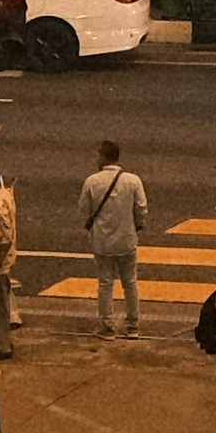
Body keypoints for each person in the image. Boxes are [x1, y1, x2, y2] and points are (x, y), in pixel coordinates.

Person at [74, 141, 150, 338]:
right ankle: (133, 325)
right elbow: (141, 208)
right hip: (127, 239)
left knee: (105, 284)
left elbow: (84, 210)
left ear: (103, 156)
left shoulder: (92, 181)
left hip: (102, 241)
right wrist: (137, 225)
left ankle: (107, 326)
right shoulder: (133, 181)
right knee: (130, 283)